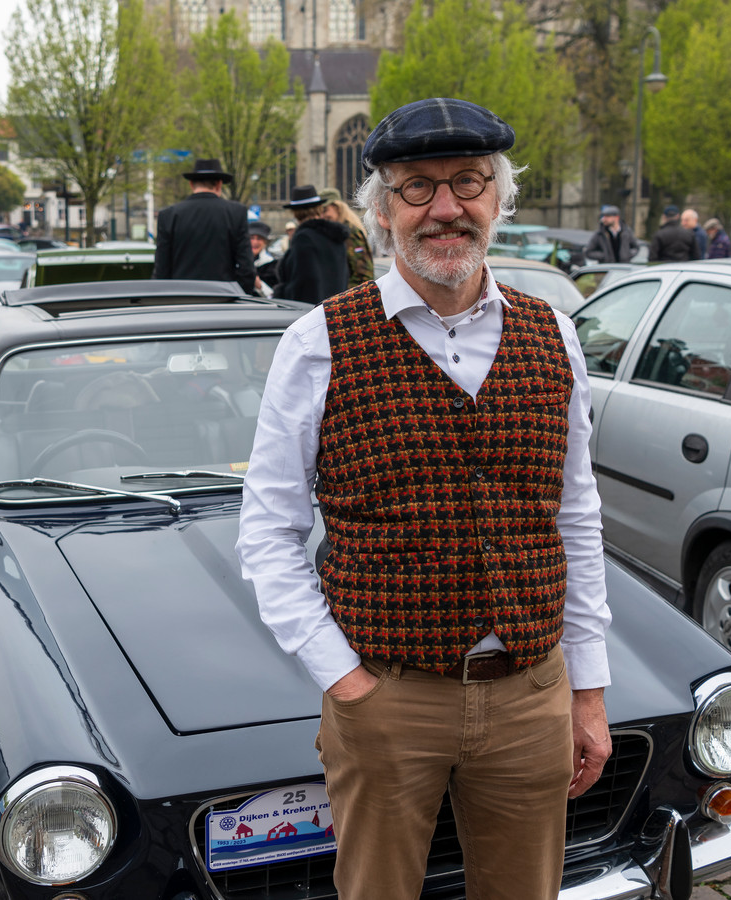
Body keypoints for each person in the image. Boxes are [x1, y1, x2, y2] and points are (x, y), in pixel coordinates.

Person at [237, 97, 612, 900]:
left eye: (469, 182)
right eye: (417, 188)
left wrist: (587, 688)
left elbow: (575, 516)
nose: (446, 208)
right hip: (387, 694)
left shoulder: (554, 335)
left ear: (498, 199)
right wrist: (345, 680)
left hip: (529, 691)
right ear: (382, 210)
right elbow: (268, 532)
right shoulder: (319, 342)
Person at [153, 158, 257, 293]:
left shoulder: (168, 215)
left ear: (191, 184)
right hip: (223, 299)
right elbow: (246, 268)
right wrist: (240, 295)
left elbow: (162, 269)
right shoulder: (236, 213)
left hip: (182, 298)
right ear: (219, 184)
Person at [272, 185, 349, 304]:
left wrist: (280, 293)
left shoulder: (304, 238)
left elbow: (301, 283)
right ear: (318, 208)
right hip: (335, 310)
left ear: (296, 213)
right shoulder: (335, 236)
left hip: (311, 311)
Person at [320, 187, 375, 288]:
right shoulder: (337, 232)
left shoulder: (350, 233)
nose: (323, 216)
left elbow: (363, 272)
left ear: (337, 208)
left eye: (325, 210)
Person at [248, 220, 280, 297]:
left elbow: (273, 295)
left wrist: (259, 285)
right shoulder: (237, 262)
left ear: (265, 242)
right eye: (252, 238)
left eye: (259, 238)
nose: (255, 242)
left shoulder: (272, 265)